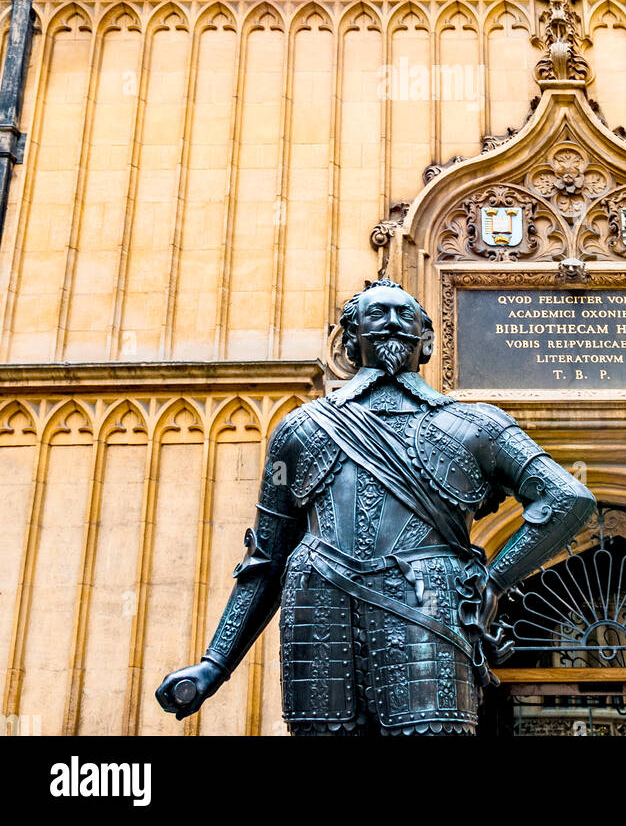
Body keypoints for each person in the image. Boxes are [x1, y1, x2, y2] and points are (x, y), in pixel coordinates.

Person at [156, 278, 595, 736]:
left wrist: (495, 578)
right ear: (349, 339)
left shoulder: (476, 426)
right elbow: (266, 557)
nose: (390, 323)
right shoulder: (298, 432)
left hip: (426, 604)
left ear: (426, 341)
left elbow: (567, 498)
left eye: (404, 315)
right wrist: (214, 664)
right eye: (376, 314)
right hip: (319, 610)